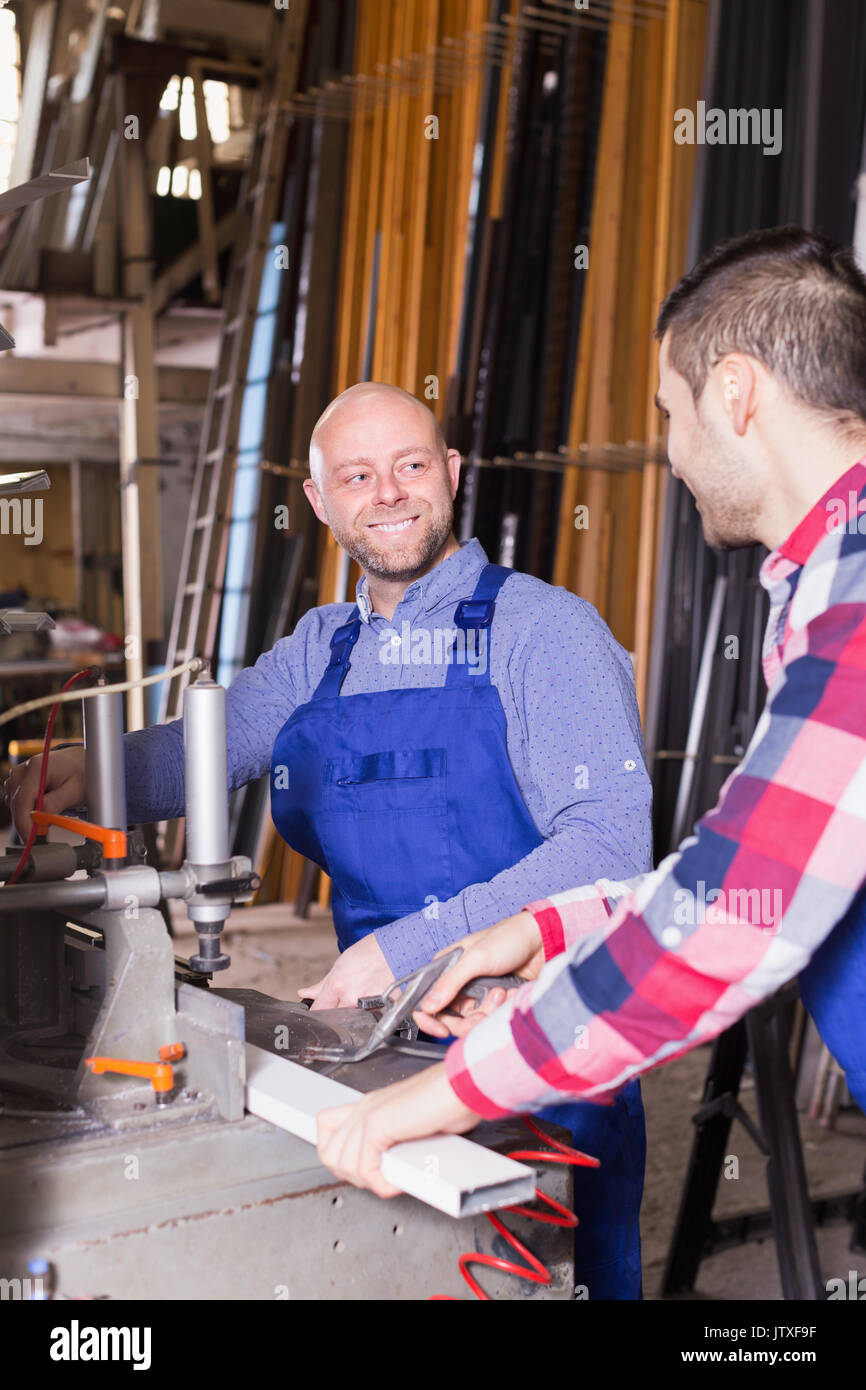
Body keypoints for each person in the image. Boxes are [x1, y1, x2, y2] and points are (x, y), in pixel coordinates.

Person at [5, 380, 652, 1298]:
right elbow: (205, 747)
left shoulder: (546, 633)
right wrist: (84, 770)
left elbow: (610, 850)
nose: (386, 492)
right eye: (356, 475)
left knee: (551, 1276)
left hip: (548, 1037)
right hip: (378, 1041)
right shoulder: (324, 647)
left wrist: (411, 949)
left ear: (453, 475)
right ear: (319, 501)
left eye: (410, 466)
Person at [313, 226, 866, 1217]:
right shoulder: (818, 586)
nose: (670, 451)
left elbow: (735, 916)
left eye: (669, 411)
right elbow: (749, 879)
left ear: (733, 394)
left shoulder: (854, 606)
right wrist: (535, 933)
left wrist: (445, 1092)